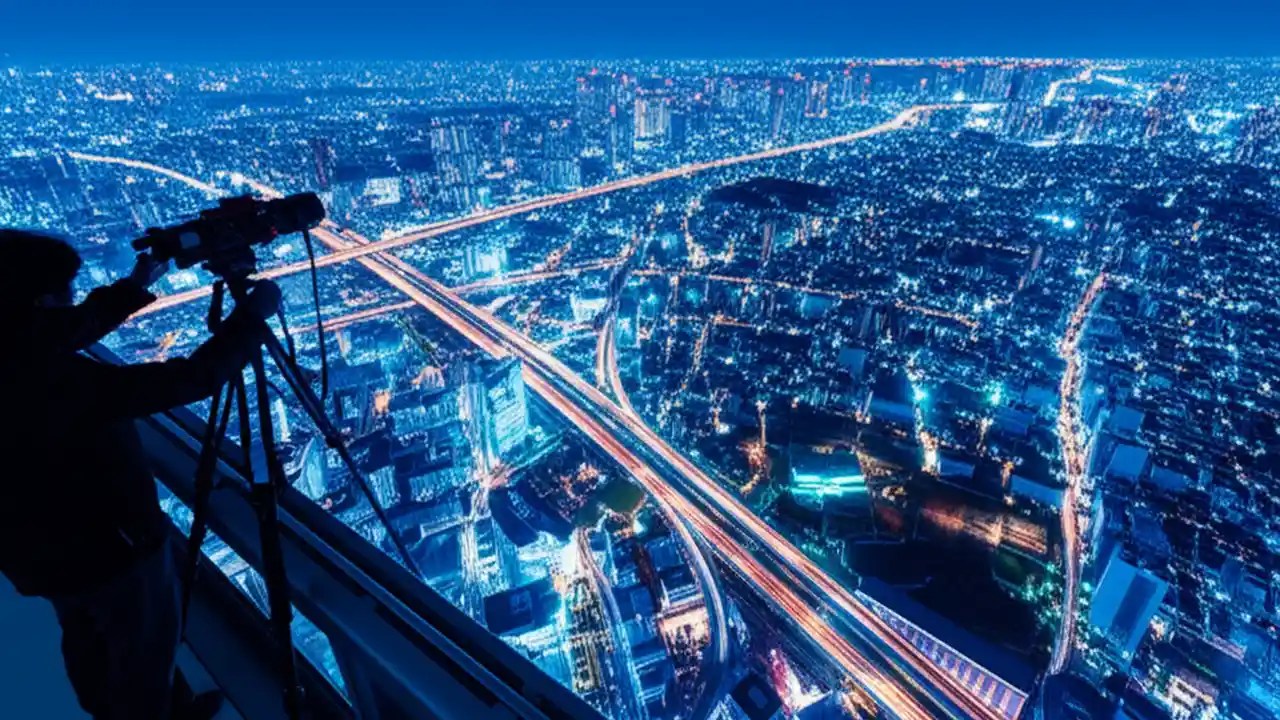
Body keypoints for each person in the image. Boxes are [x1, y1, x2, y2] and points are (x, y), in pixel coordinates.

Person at [0, 229, 282, 720]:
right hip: (112, 553)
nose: (72, 303)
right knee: (143, 653)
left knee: (88, 638)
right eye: (65, 292)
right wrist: (251, 319)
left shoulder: (10, 347)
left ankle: (149, 705)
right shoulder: (52, 382)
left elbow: (69, 328)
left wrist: (137, 283)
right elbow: (192, 379)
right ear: (38, 304)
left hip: (35, 551)